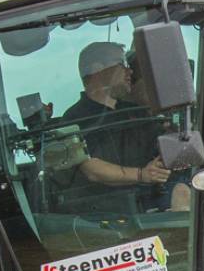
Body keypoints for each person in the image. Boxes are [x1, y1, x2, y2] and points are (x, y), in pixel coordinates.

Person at [62, 42, 187, 212]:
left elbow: (159, 144)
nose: (130, 71)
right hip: (107, 209)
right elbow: (90, 168)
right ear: (97, 69)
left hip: (152, 196)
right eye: (122, 64)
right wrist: (141, 174)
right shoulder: (74, 118)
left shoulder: (134, 111)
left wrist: (174, 134)